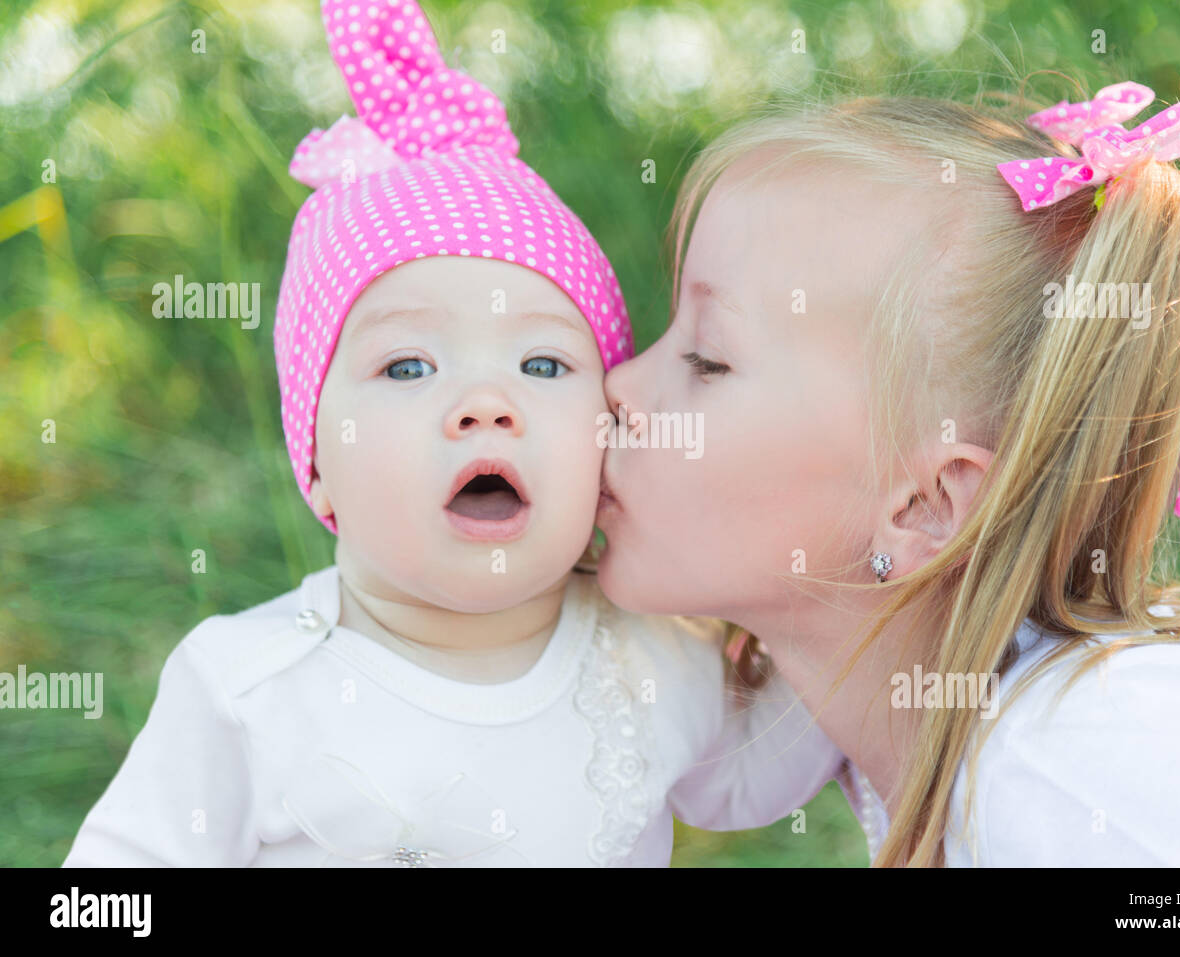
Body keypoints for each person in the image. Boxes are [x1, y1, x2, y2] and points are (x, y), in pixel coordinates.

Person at [62, 0, 844, 868]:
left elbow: (775, 755)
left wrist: (865, 586)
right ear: (314, 465)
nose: (485, 403)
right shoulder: (247, 689)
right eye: (406, 368)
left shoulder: (651, 653)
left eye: (543, 366)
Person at [595, 81, 1180, 865]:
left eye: (706, 359)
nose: (620, 387)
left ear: (929, 505)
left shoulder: (1071, 761)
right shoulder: (924, 742)